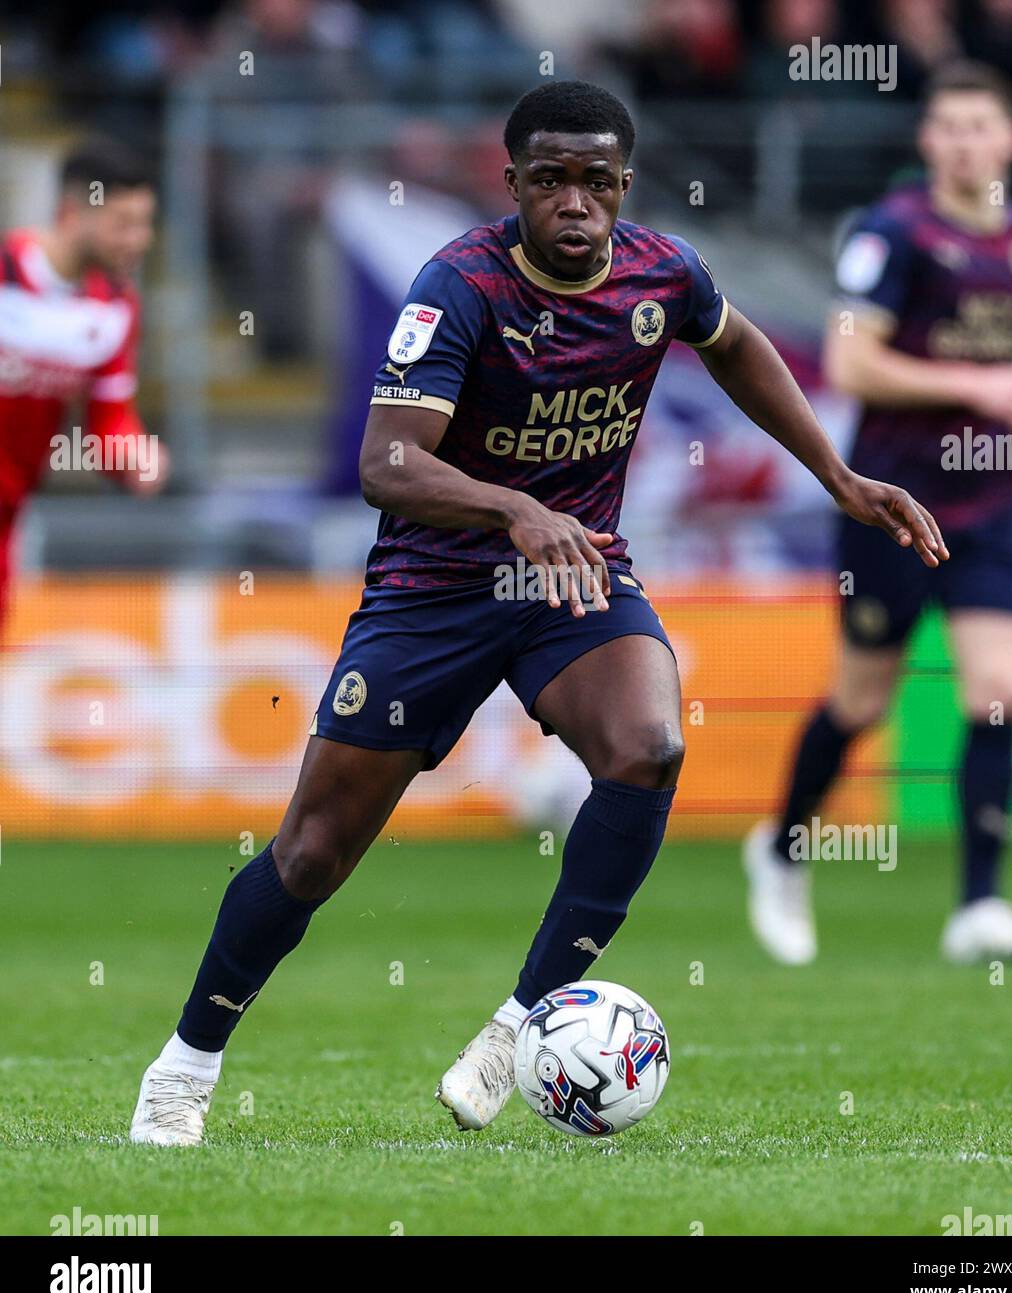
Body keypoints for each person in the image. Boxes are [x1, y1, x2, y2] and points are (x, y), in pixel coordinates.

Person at [131, 81, 944, 1147]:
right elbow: (386, 461)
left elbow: (736, 342)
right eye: (551, 181)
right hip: (435, 589)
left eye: (597, 183)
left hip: (573, 579)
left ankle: (518, 1030)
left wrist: (836, 474)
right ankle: (185, 1065)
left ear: (625, 188)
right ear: (512, 184)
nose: (576, 203)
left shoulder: (663, 272)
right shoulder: (459, 286)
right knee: (314, 854)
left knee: (648, 746)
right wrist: (514, 506)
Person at [745, 62, 1012, 967]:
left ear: (1009, 139)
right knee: (861, 700)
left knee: (1000, 694)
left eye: (979, 126)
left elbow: (990, 379)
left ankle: (979, 908)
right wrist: (982, 385)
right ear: (927, 141)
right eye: (947, 126)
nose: (963, 141)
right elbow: (849, 365)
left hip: (989, 504)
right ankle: (781, 848)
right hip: (891, 502)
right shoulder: (892, 231)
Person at [0, 139, 166, 633]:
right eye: (123, 223)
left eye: (146, 222)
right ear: (73, 212)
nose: (139, 239)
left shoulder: (114, 307)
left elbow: (107, 424)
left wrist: (135, 454)